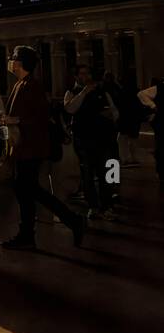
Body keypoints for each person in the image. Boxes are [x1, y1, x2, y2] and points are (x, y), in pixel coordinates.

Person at [3, 46, 86, 250]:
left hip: (30, 148)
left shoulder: (33, 86)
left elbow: (39, 118)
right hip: (23, 147)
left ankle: (66, 222)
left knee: (27, 190)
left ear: (21, 63)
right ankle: (34, 233)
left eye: (13, 58)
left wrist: (15, 119)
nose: (10, 61)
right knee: (27, 190)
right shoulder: (20, 84)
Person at [64, 64, 118, 219]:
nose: (85, 77)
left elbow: (114, 111)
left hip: (102, 138)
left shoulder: (101, 91)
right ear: (76, 77)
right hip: (83, 139)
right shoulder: (71, 92)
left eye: (87, 73)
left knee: (105, 173)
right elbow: (70, 108)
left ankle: (107, 206)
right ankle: (93, 206)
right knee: (87, 174)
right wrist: (83, 93)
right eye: (82, 74)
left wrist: (111, 116)